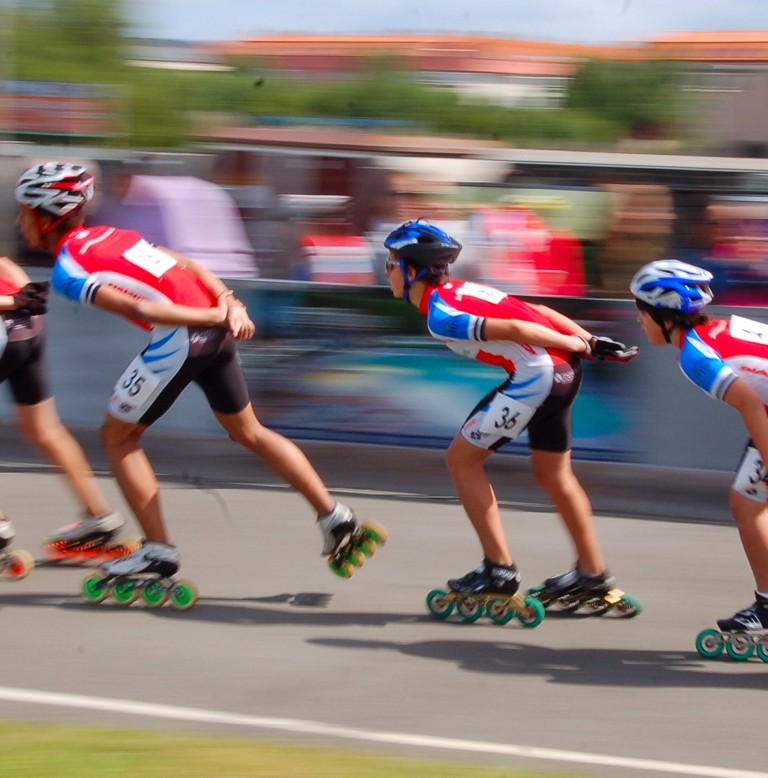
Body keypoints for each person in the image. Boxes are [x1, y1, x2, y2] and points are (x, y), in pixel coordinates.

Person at [14, 161, 369, 578]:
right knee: (248, 431)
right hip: (211, 330)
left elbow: (141, 308)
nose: (20, 223)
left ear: (45, 215)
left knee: (118, 437)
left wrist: (219, 316)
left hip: (183, 336)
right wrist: (229, 303)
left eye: (23, 213)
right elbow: (190, 267)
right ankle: (334, 515)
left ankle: (159, 551)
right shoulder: (115, 234)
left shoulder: (68, 270)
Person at [383, 219, 638, 601]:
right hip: (564, 372)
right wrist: (589, 339)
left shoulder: (442, 314)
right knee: (555, 475)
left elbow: (516, 329)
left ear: (411, 270)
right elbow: (535, 309)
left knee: (461, 460)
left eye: (390, 263)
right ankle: (592, 571)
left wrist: (582, 343)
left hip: (539, 376)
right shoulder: (460, 289)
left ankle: (499, 569)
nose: (385, 272)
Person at [630, 259, 768, 632]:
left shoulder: (695, 355)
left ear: (666, 315)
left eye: (642, 311)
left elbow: (750, 404)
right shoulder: (724, 326)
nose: (638, 320)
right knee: (747, 502)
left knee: (750, 503)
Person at [0, 254, 121, 562]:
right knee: (41, 427)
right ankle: (98, 515)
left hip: (7, 317)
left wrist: (13, 302)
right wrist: (25, 294)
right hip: (28, 323)